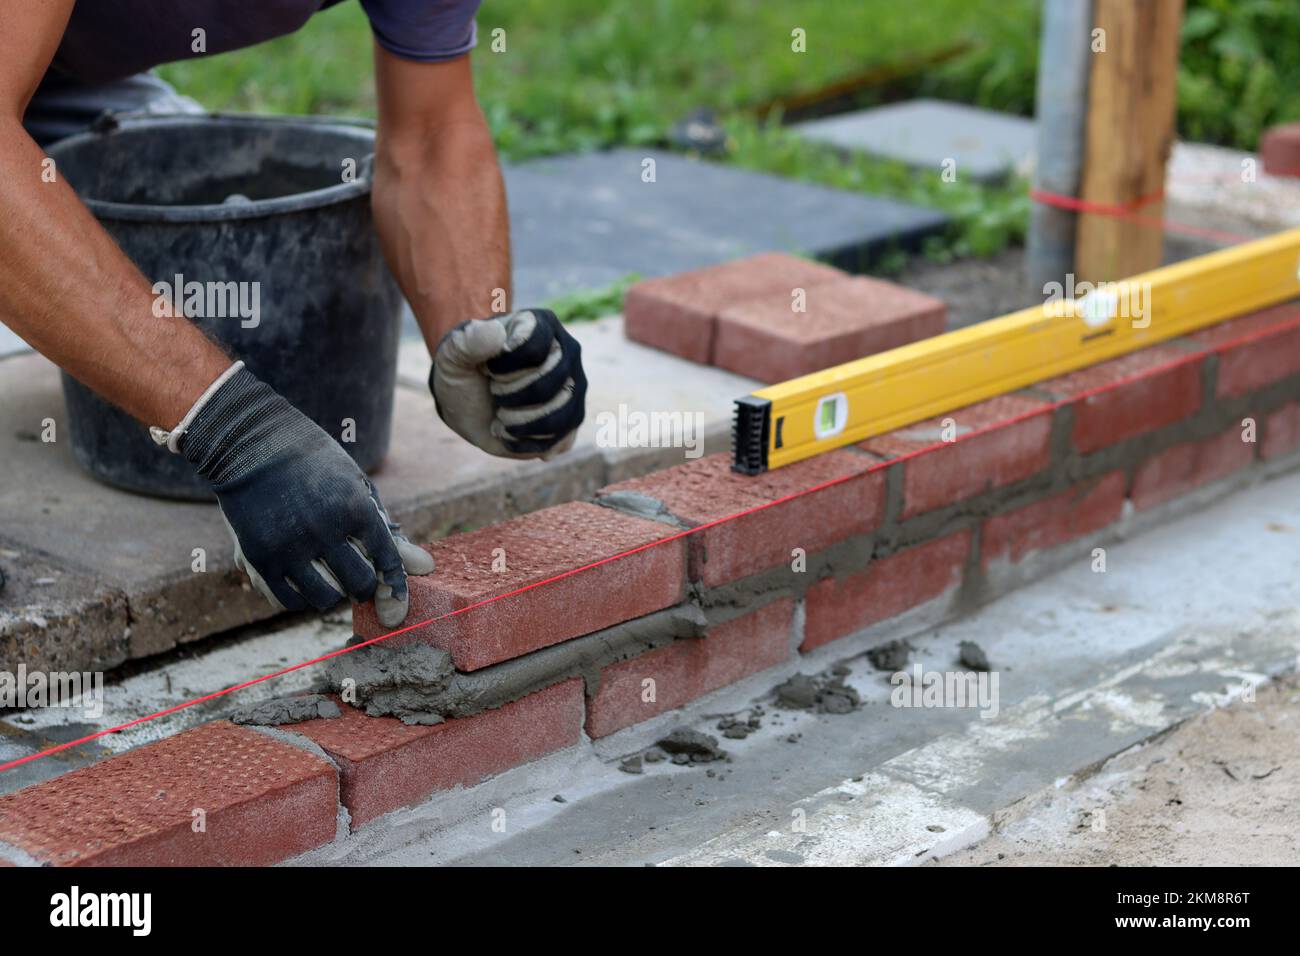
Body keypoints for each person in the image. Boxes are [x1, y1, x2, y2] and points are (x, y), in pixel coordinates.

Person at [0, 1, 587, 627]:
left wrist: (477, 334)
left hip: (65, 79)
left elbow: (430, 132)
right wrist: (232, 427)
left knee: (183, 189)